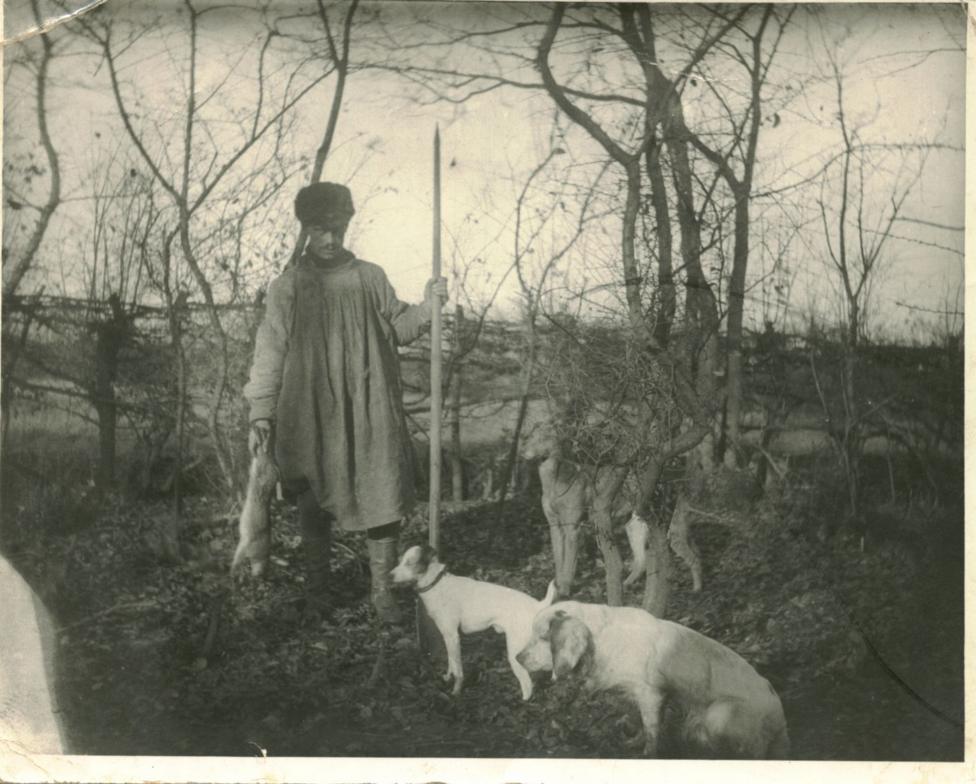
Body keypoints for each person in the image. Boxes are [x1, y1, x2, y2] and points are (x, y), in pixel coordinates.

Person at [244, 182, 447, 624]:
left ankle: (384, 594)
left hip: (370, 406)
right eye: (320, 230)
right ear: (305, 230)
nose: (330, 239)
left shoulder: (369, 277)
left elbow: (401, 325)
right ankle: (319, 594)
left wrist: (429, 307)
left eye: (337, 228)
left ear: (347, 225)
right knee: (313, 500)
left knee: (382, 490)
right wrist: (261, 409)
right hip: (310, 411)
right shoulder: (289, 287)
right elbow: (271, 349)